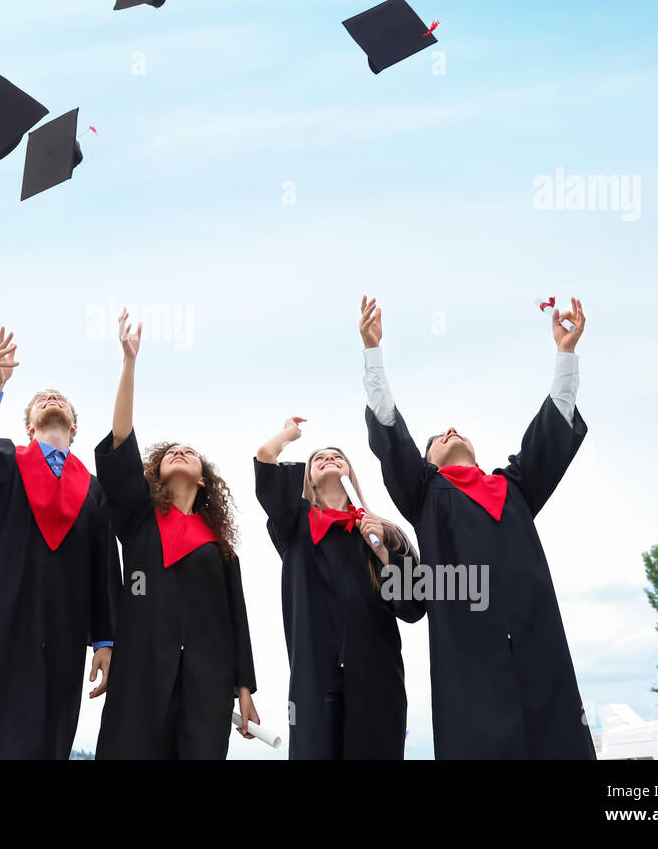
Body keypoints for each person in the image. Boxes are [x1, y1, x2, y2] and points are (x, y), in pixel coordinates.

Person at [360, 295, 595, 759]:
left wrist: (565, 354)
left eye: (457, 430)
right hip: (467, 658)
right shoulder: (425, 494)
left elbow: (552, 427)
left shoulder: (516, 487)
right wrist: (372, 352)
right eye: (437, 439)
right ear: (425, 462)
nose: (450, 430)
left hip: (537, 641)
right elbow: (389, 431)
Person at [0, 328, 120, 759]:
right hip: (2, 613)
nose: (52, 396)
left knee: (48, 731)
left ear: (73, 427)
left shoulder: (94, 490)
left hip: (65, 627)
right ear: (30, 425)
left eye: (60, 398)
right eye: (41, 398)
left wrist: (105, 642)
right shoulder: (10, 462)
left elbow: (104, 568)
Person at [93, 309, 258, 759]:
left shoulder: (220, 545)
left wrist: (244, 688)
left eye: (189, 452)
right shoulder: (139, 519)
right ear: (155, 473)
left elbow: (237, 618)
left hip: (209, 676)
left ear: (203, 479)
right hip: (141, 668)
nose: (181, 452)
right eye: (171, 452)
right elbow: (120, 441)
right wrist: (129, 364)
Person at [255, 421, 425, 759]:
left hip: (377, 673)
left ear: (350, 471)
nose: (328, 458)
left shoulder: (386, 532)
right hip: (315, 676)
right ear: (307, 478)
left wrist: (382, 552)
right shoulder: (294, 525)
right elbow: (265, 458)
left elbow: (414, 608)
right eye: (318, 458)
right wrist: (288, 435)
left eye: (337, 457)